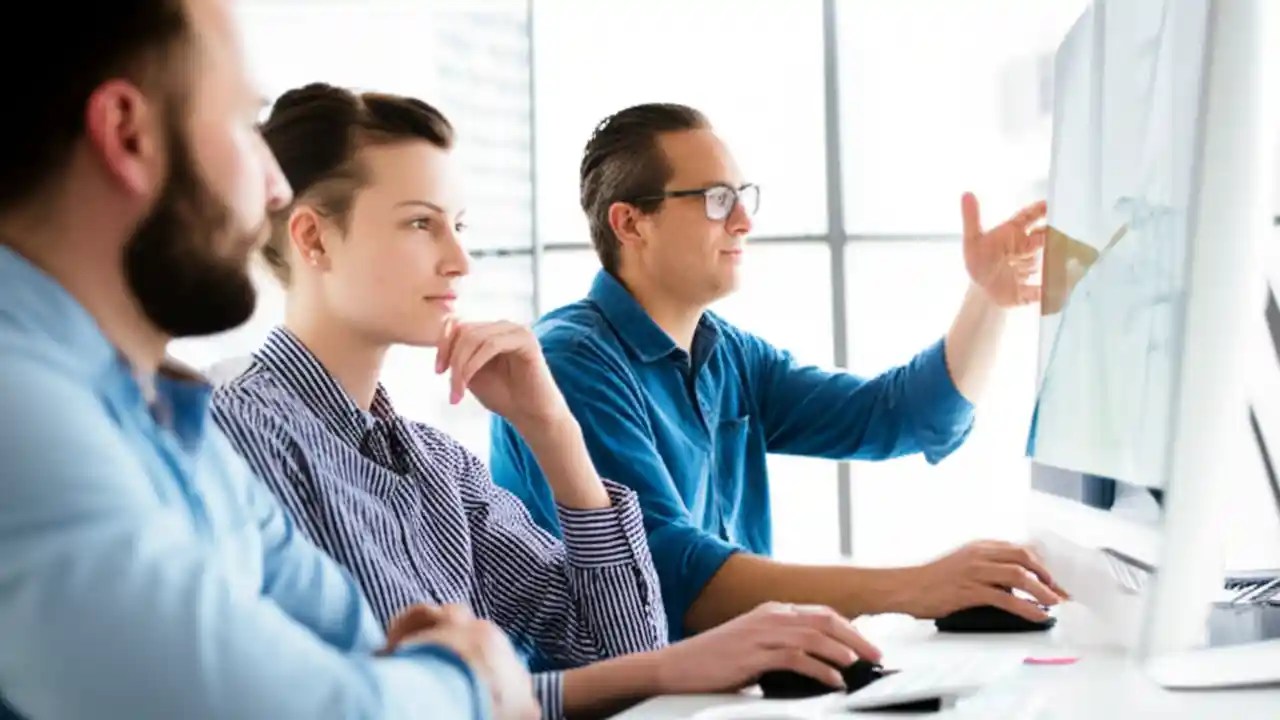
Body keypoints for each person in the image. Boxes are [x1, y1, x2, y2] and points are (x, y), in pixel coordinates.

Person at [210, 83, 882, 720]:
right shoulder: (238, 437)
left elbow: (617, 647)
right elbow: (387, 703)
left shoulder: (438, 464)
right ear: (312, 238)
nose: (459, 261)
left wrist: (551, 427)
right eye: (421, 224)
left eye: (459, 226)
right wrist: (674, 667)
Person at [0, 3, 539, 719]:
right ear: (128, 135)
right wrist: (469, 680)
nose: (277, 188)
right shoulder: (21, 412)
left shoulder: (164, 416)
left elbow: (351, 647)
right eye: (243, 127)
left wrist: (444, 674)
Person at [489, 102, 1070, 640]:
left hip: (721, 688)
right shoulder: (569, 364)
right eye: (717, 200)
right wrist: (915, 587)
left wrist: (988, 296)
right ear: (631, 223)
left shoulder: (729, 354)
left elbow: (901, 417)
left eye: (742, 196)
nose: (743, 220)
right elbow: (670, 578)